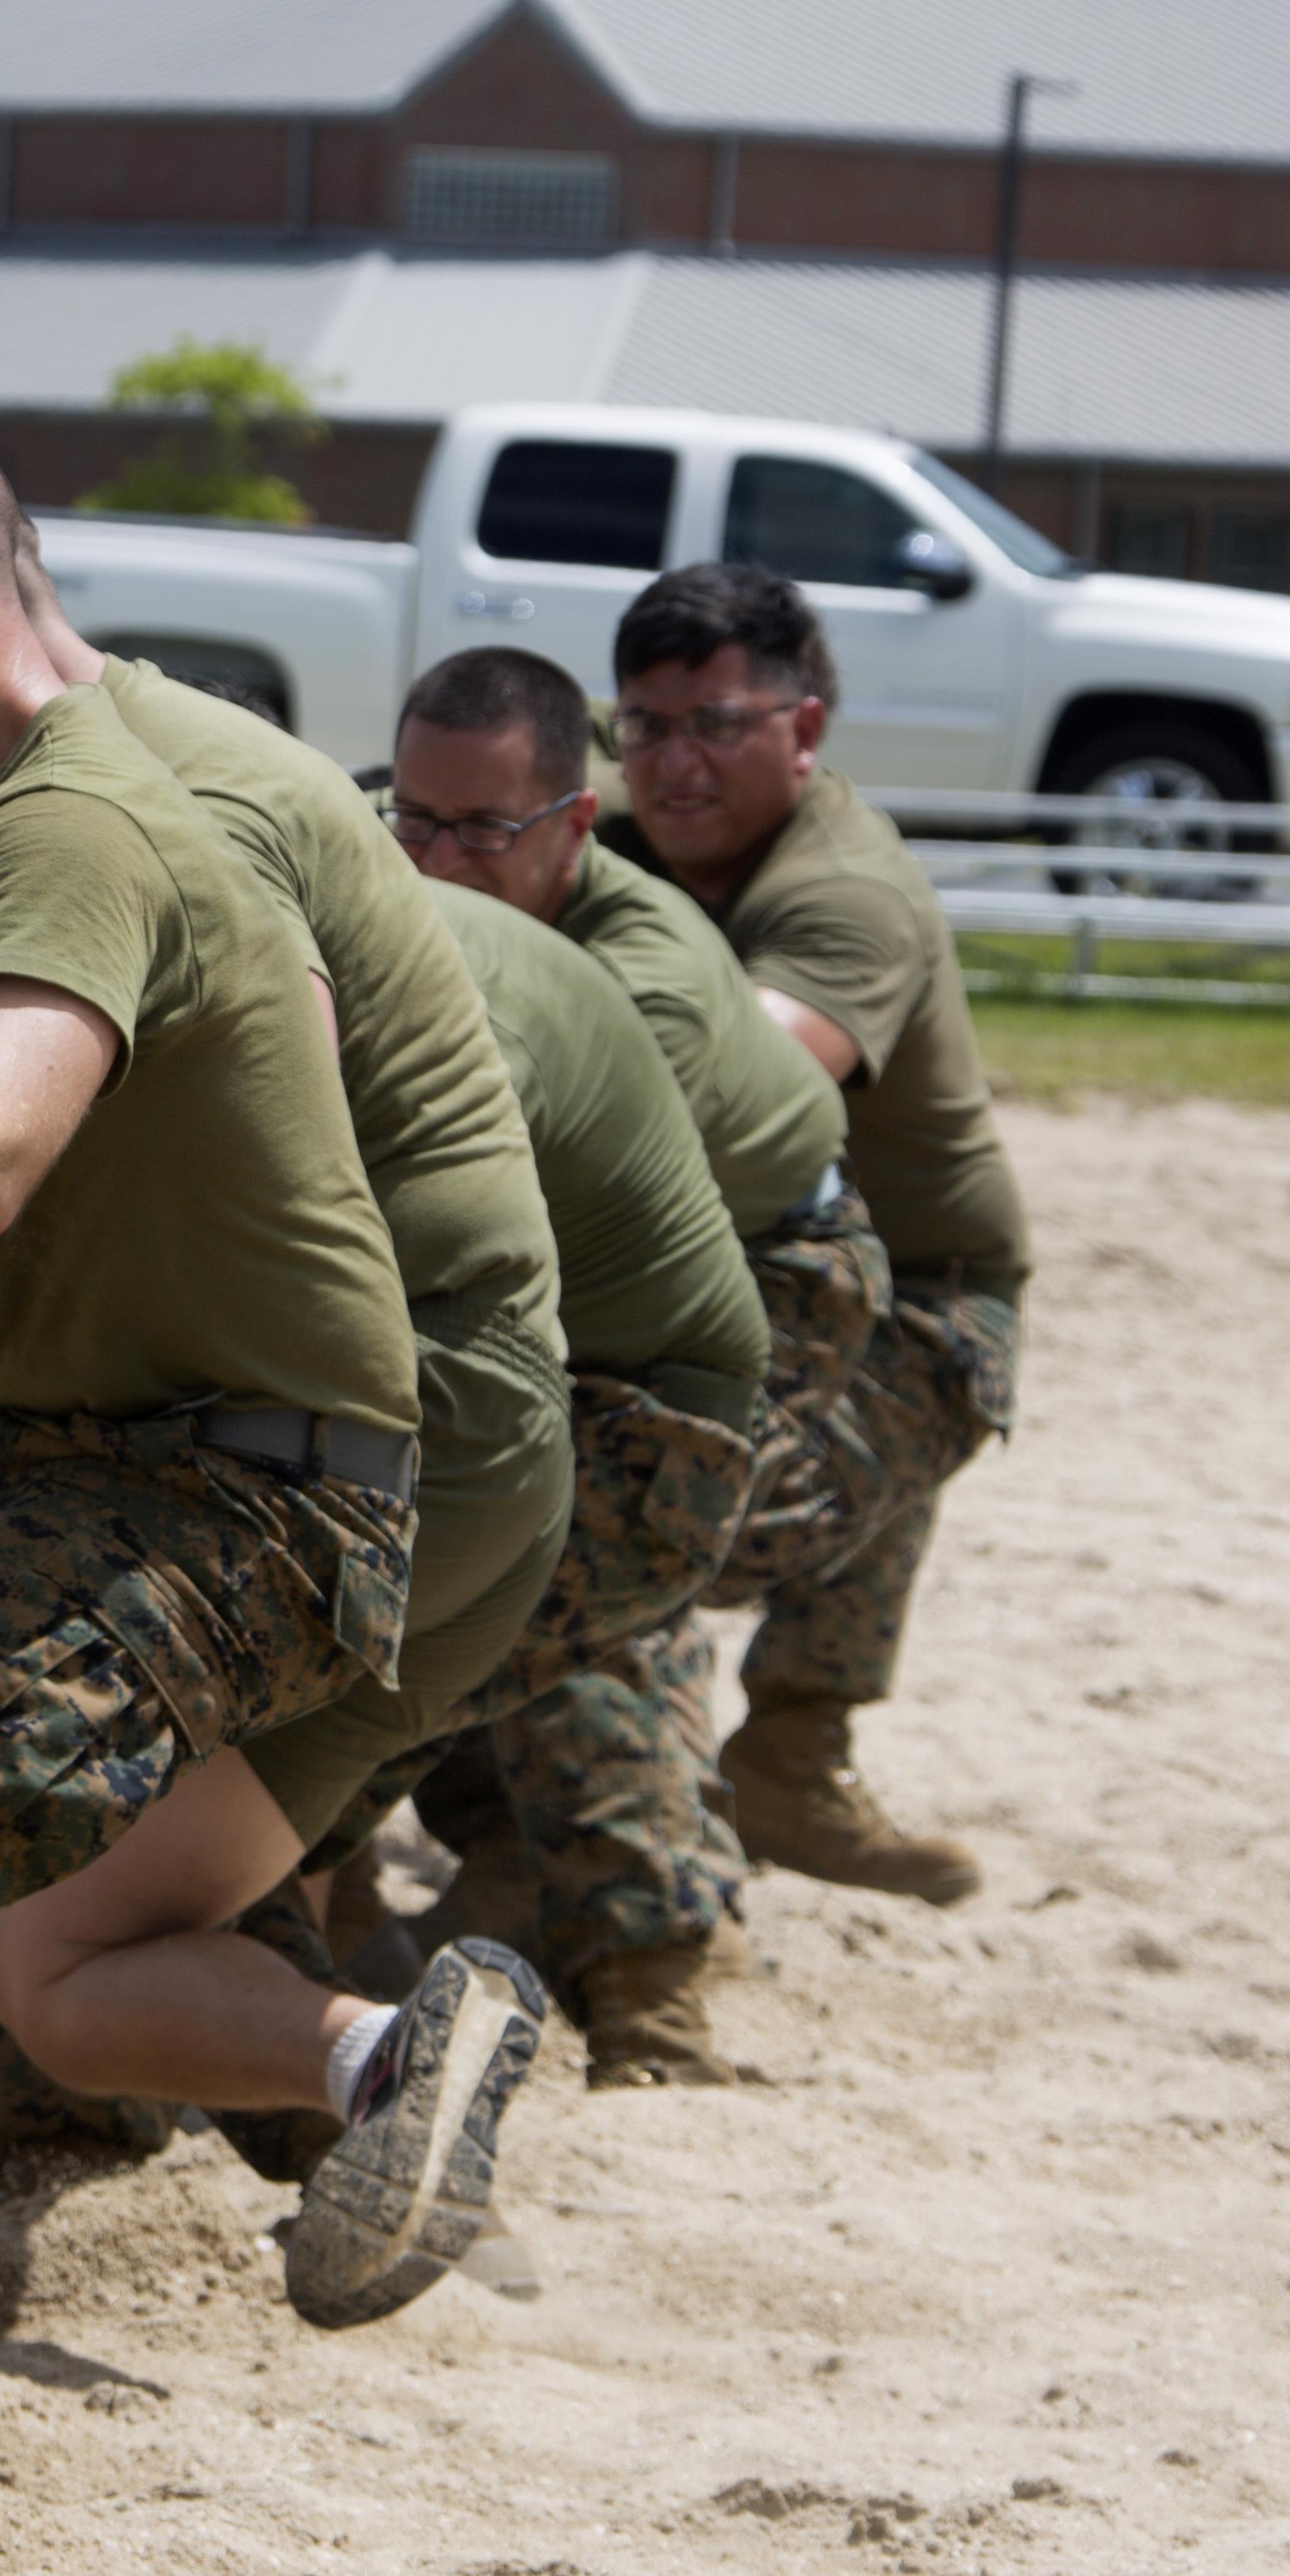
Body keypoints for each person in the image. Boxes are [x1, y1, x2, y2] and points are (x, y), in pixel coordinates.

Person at [0, 403, 549, 2411]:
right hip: (201, 1434)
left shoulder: (124, 807)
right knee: (42, 1951)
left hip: (376, 1442)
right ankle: (383, 2058)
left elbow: (91, 1150)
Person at [385, 643, 868, 2076]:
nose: (438, 860)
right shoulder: (409, 895)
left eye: (485, 831)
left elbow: (560, 1230)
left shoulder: (637, 978)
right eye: (412, 817)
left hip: (760, 1272)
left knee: (585, 1562)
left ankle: (654, 1978)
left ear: (576, 829)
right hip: (574, 1259)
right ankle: (509, 1871)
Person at [602, 568, 1030, 1905]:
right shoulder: (601, 841)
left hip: (922, 1311)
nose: (677, 763)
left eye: (719, 724)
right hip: (748, 1273)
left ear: (806, 727)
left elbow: (733, 1104)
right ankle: (787, 1757)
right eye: (646, 726)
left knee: (634, 1533)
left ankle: (638, 1867)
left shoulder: (847, 894)